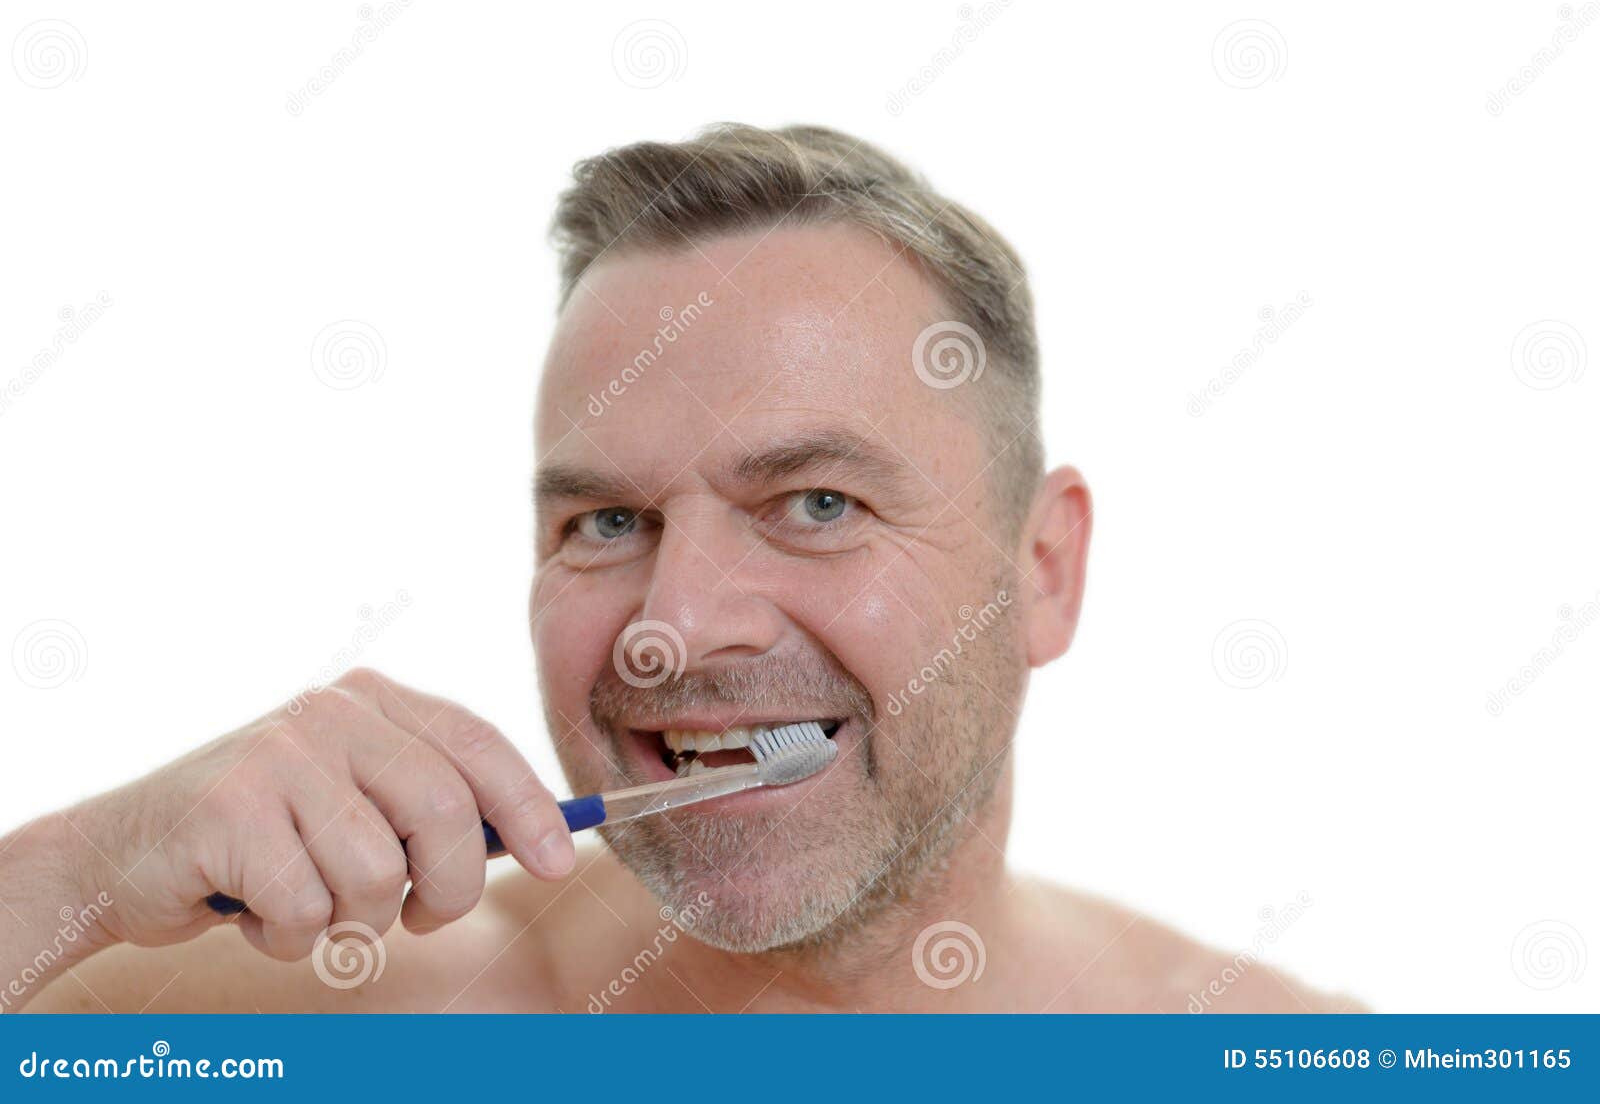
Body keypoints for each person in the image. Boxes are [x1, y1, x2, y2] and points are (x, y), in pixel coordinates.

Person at [3, 124, 1356, 1013]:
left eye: (816, 500)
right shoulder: (318, 1012)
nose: (672, 630)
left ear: (1045, 569)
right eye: (606, 523)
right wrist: (71, 874)